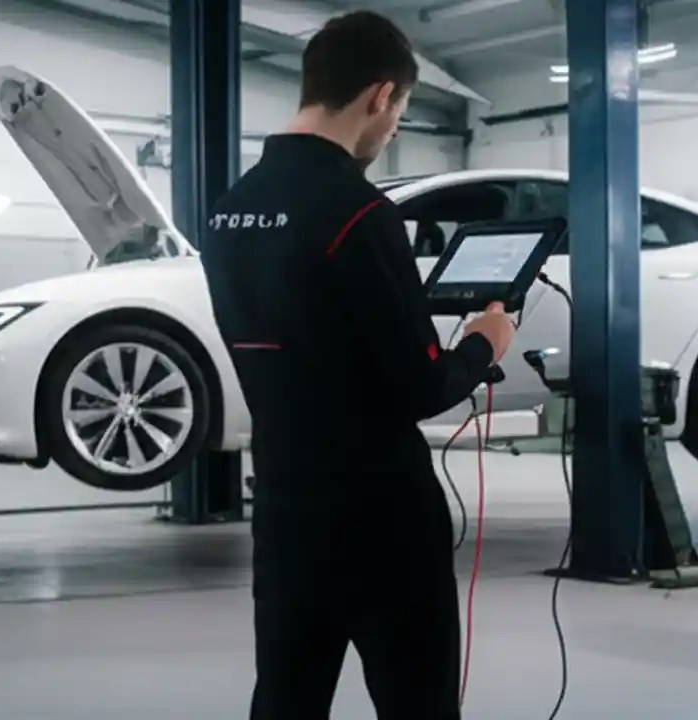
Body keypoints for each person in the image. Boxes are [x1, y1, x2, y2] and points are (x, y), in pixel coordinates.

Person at [199, 10, 515, 719]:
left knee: (287, 700)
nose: (392, 128)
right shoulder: (359, 213)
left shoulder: (228, 211)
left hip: (284, 507)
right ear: (380, 96)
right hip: (382, 516)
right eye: (399, 112)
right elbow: (421, 384)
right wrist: (484, 342)